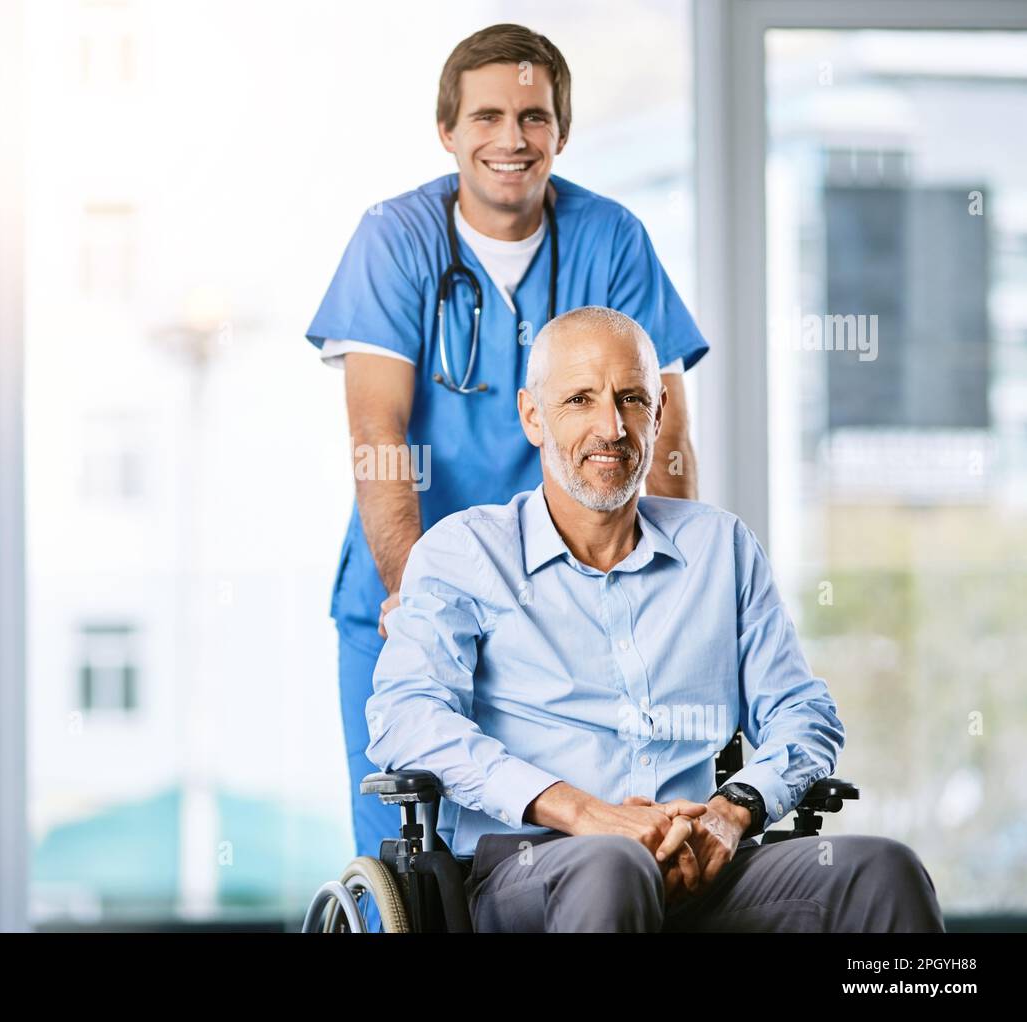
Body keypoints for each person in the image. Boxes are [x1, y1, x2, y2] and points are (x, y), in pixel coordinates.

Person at [363, 306, 944, 932]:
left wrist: (734, 809)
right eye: (580, 399)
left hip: (699, 861)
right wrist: (585, 814)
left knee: (884, 871)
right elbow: (406, 717)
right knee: (613, 864)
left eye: (631, 398)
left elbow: (805, 715)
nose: (610, 426)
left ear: (659, 411)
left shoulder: (721, 549)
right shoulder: (465, 553)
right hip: (532, 869)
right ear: (533, 416)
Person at [305, 23, 710, 877]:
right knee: (409, 865)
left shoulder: (612, 239)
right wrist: (414, 597)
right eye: (487, 115)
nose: (512, 139)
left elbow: (662, 432)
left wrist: (682, 589)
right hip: (407, 583)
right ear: (447, 131)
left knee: (562, 854)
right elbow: (380, 436)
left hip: (559, 602)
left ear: (561, 131)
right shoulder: (396, 239)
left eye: (534, 117)